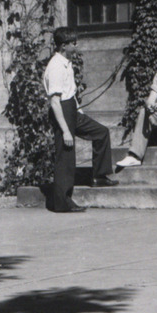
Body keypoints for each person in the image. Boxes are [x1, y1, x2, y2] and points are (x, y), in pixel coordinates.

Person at [43, 26, 118, 213]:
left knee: (101, 132)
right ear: (63, 46)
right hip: (61, 111)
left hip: (71, 109)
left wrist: (78, 110)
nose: (76, 45)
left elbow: (70, 94)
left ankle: (99, 176)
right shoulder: (55, 66)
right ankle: (62, 202)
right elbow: (54, 101)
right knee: (66, 156)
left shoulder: (66, 63)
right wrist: (66, 130)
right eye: (72, 43)